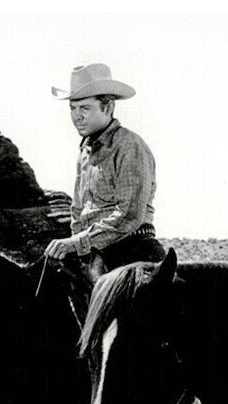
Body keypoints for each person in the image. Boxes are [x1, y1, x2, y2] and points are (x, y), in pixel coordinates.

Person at [46, 63, 164, 269]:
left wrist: (76, 243)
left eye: (85, 108)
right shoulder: (85, 152)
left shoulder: (129, 146)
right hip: (95, 254)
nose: (77, 116)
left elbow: (129, 216)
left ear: (108, 107)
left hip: (132, 251)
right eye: (73, 108)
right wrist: (77, 247)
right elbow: (78, 211)